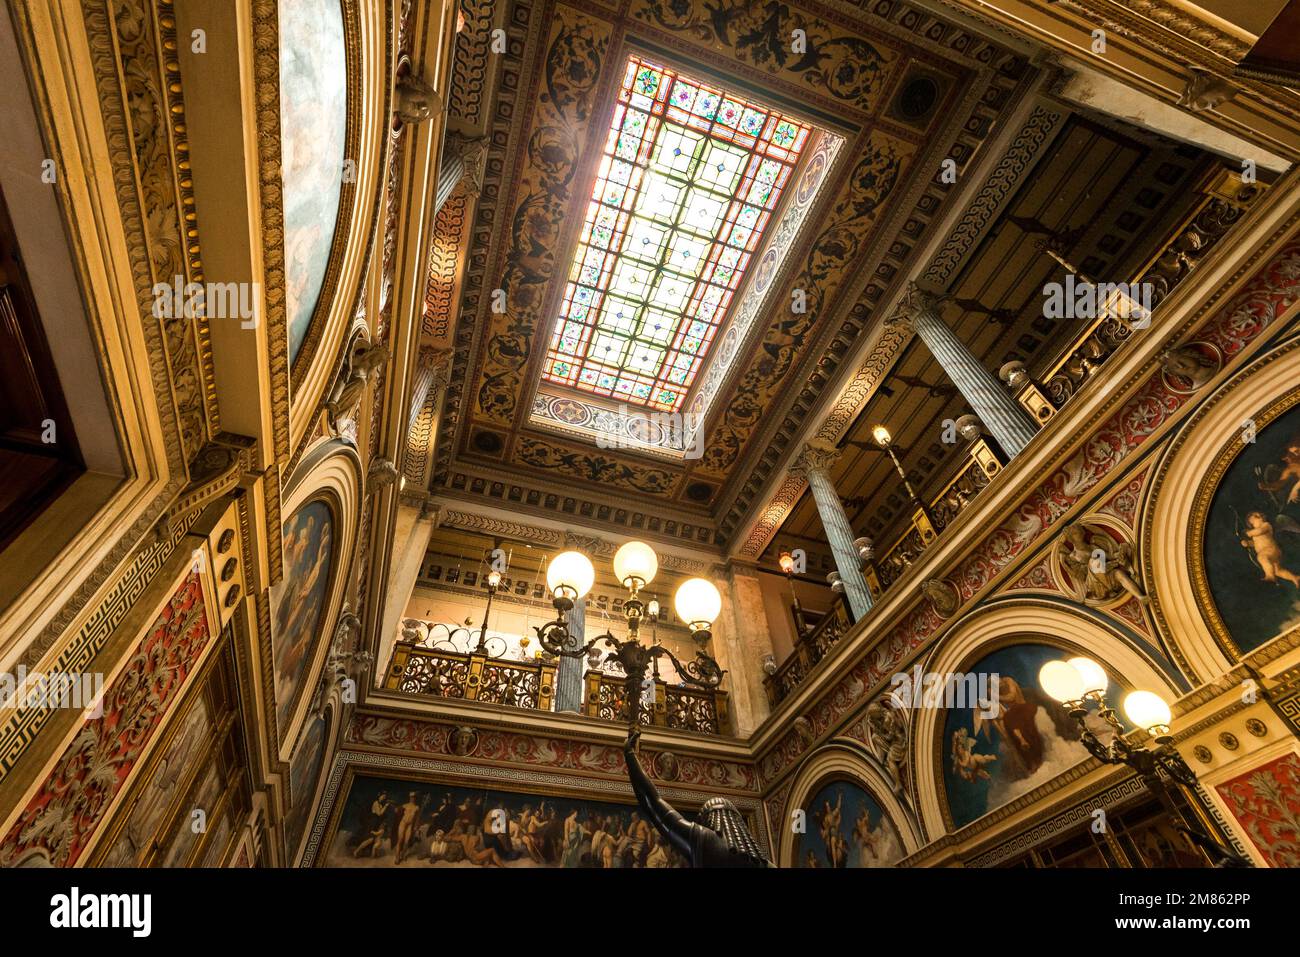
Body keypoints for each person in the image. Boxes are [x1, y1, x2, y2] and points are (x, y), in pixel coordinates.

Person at [623, 727, 770, 867]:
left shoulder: (709, 841)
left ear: (713, 819)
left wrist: (630, 756)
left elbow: (653, 802)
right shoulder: (765, 863)